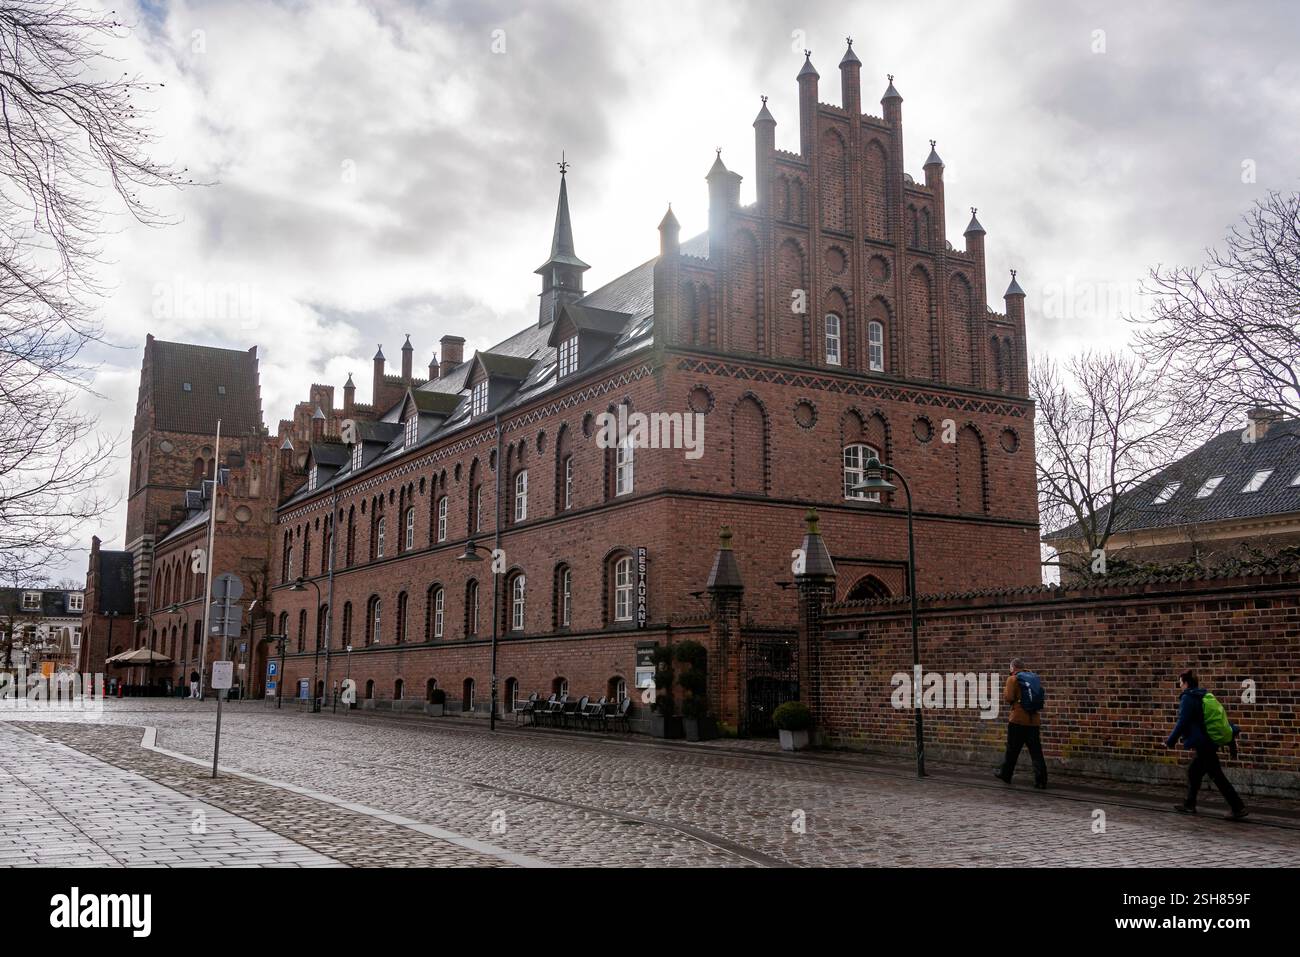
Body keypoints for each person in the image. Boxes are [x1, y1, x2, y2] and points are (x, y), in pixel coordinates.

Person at [1165, 669, 1247, 820]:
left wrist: (1171, 740)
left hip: (1203, 743)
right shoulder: (1204, 695)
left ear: (1186, 683)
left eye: (1180, 683)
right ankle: (1189, 804)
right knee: (1194, 772)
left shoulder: (1188, 698)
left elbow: (1183, 722)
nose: (1180, 686)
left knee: (1216, 775)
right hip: (1208, 741)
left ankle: (1237, 807)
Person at [994, 657, 1047, 789]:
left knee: (1012, 749)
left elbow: (1009, 697)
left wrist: (1006, 690)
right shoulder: (1033, 678)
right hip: (1033, 721)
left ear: (1013, 668)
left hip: (1017, 720)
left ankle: (1006, 774)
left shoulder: (1013, 679)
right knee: (1036, 751)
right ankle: (1041, 780)